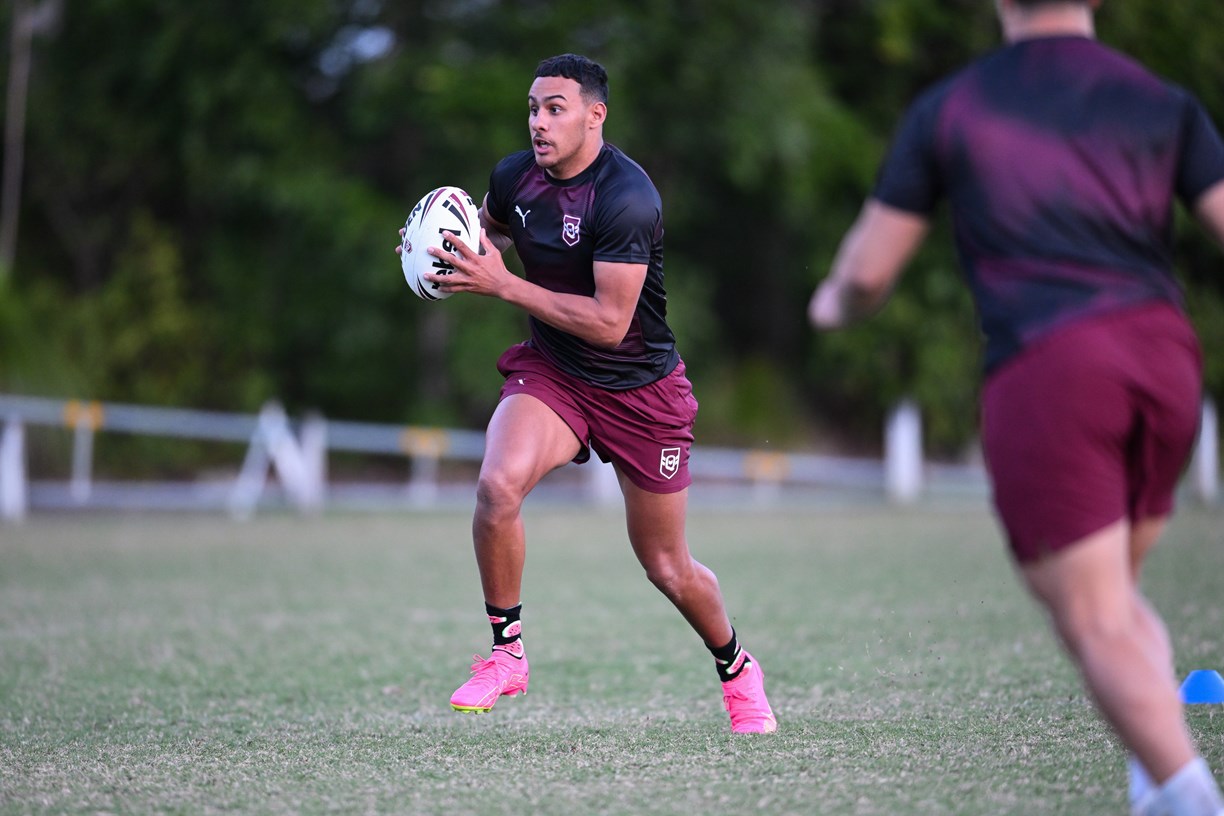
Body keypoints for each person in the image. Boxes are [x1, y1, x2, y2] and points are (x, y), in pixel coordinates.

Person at [809, 1, 1224, 813]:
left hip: (1056, 366)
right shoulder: (1163, 100)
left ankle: (1189, 799)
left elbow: (868, 272)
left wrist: (832, 303)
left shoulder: (954, 107)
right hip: (1166, 357)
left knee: (1095, 618)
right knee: (1119, 597)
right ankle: (1153, 784)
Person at [396, 53, 776, 733]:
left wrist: (504, 285)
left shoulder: (627, 197)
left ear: (594, 116)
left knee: (666, 566)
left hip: (641, 392)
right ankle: (506, 653)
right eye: (534, 108)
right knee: (496, 486)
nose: (539, 123)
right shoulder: (514, 176)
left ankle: (738, 669)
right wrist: (439, 246)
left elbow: (609, 324)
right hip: (557, 375)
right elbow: (489, 235)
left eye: (556, 109)